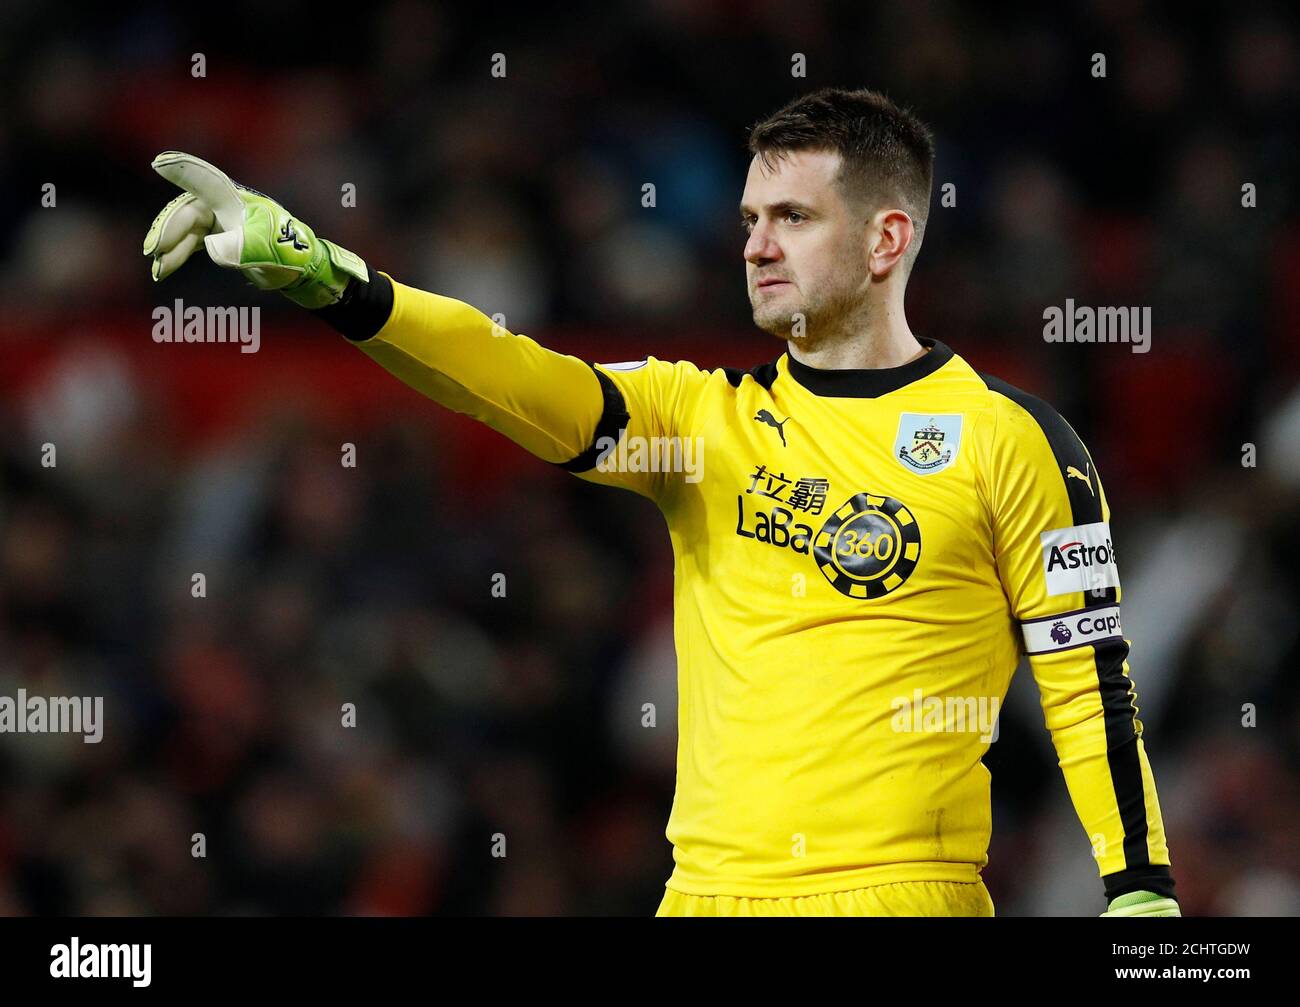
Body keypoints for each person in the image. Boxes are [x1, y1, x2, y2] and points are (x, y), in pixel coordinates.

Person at [143, 87, 1179, 917]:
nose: (756, 245)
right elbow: (508, 372)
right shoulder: (698, 421)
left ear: (886, 238)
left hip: (893, 894)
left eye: (792, 217)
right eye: (748, 219)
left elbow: (1090, 684)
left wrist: (1137, 892)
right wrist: (326, 273)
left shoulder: (1014, 440)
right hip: (700, 894)